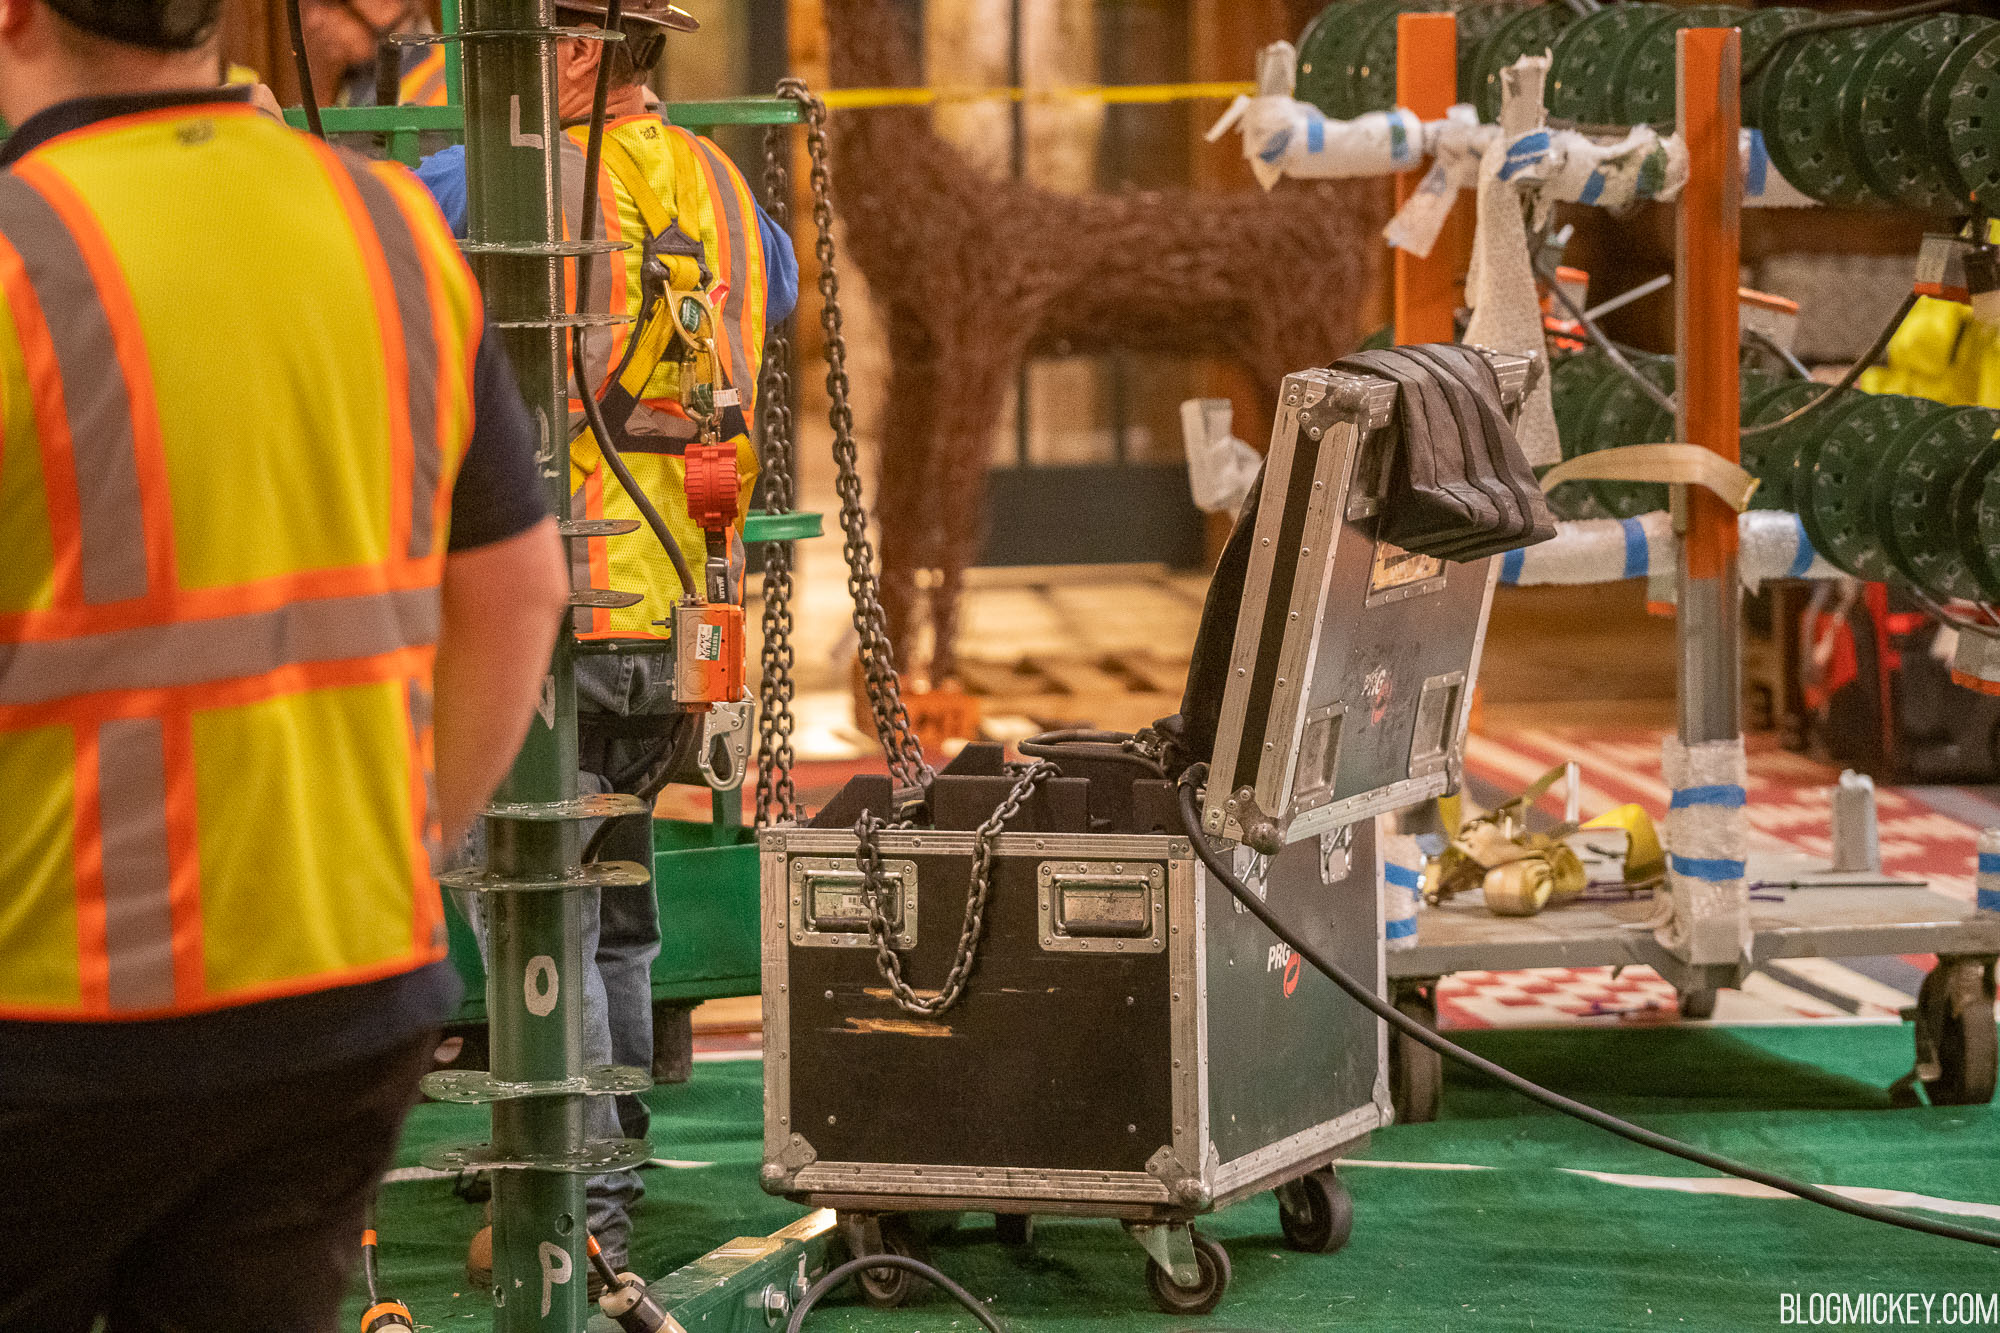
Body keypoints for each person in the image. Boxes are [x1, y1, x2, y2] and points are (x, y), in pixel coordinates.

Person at [0, 2, 568, 1330]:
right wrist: (406, 840)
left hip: (57, 1012)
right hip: (349, 991)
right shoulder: (385, 226)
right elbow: (520, 588)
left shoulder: (19, 252)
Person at [416, 0, 797, 1282]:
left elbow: (401, 213)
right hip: (680, 609)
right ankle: (612, 1159)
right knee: (615, 902)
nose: (486, 78)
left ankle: (578, 1207)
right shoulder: (719, 183)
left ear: (573, 50)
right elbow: (780, 289)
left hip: (565, 606)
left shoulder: (527, 173)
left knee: (541, 918)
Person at [297, 0, 447, 108]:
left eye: (332, 4)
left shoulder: (449, 78)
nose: (313, 20)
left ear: (387, 4)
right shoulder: (357, 81)